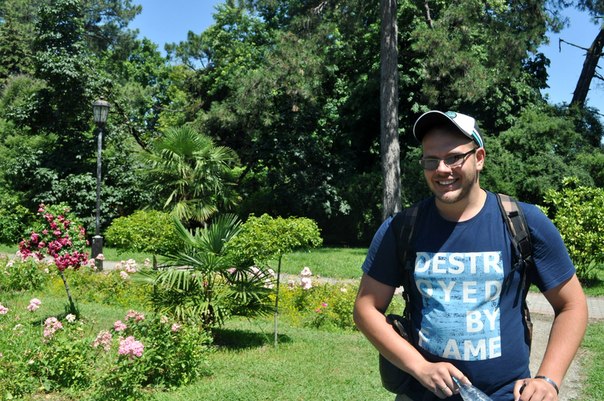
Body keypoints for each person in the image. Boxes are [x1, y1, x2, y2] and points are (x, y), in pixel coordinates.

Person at [353, 110, 588, 401]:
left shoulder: (524, 222)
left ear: (479, 158)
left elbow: (571, 305)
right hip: (421, 395)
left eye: (454, 157)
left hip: (505, 395)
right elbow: (366, 308)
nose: (441, 169)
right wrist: (420, 367)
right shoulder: (401, 228)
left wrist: (548, 379)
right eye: (431, 160)